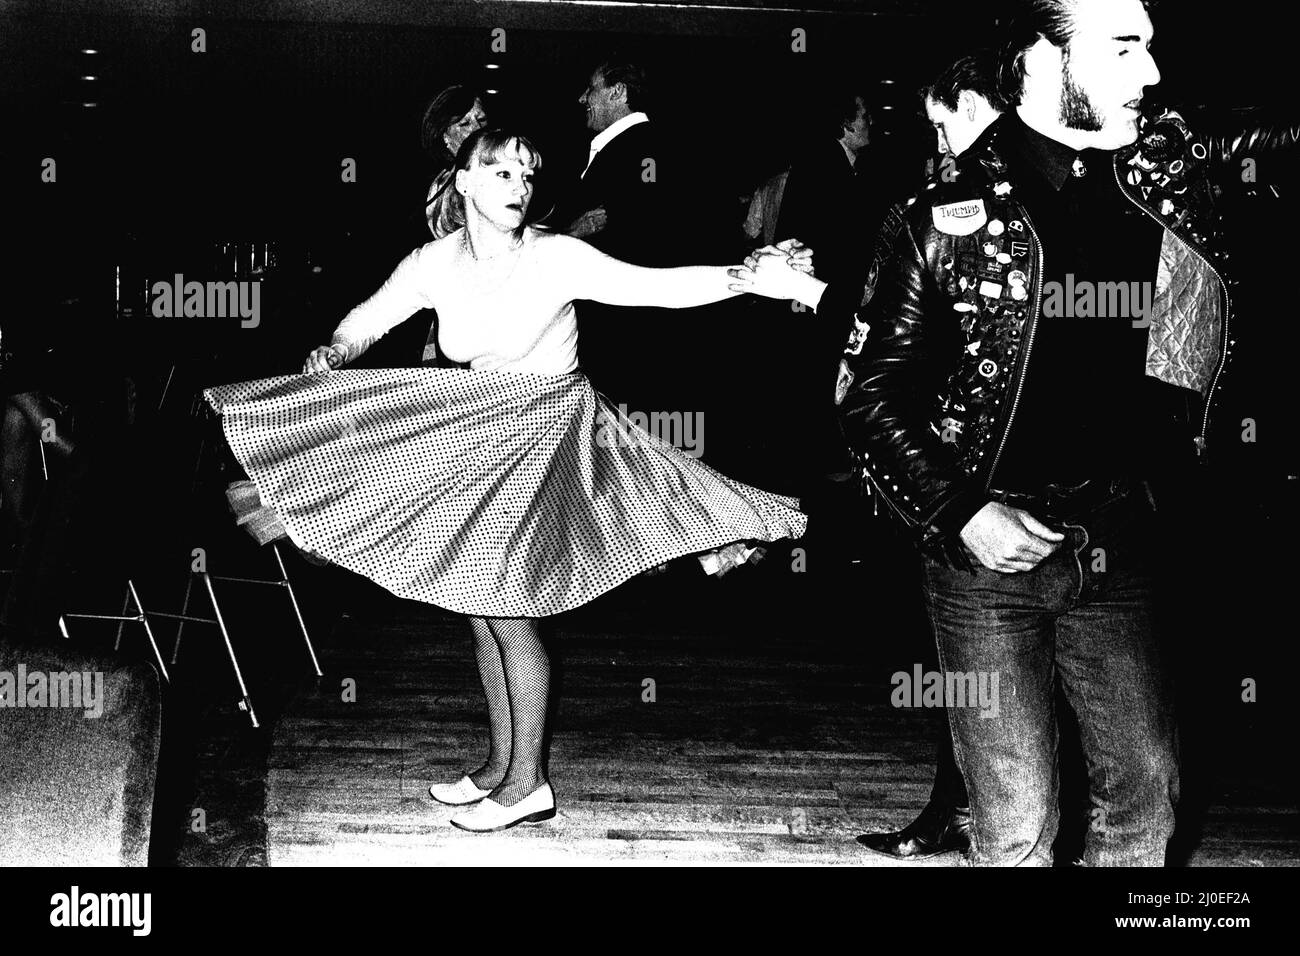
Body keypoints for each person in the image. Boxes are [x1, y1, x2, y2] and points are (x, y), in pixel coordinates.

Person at [735, 0, 1234, 866]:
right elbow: (869, 398)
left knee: (1148, 794)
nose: (1153, 72)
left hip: (1118, 541)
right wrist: (962, 511)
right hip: (984, 555)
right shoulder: (941, 217)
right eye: (1124, 48)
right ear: (1041, 58)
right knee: (1015, 825)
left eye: (1150, 47)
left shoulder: (1156, 192)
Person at [205, 129, 809, 833]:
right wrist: (335, 348)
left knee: (508, 610)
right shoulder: (434, 261)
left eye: (527, 173)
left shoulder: (556, 256)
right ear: (463, 181)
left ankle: (528, 783)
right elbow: (371, 317)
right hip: (482, 428)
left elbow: (658, 289)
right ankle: (500, 766)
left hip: (549, 437)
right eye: (501, 172)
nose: (519, 186)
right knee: (477, 604)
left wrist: (746, 275)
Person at [854, 51, 1007, 861]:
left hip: (1002, 470)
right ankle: (962, 804)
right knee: (960, 656)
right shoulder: (932, 210)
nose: (940, 142)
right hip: (947, 468)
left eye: (946, 120)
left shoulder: (1004, 209)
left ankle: (980, 811)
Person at [420, 86, 488, 240]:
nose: (477, 129)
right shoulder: (438, 185)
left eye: (482, 120)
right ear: (445, 136)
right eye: (465, 124)